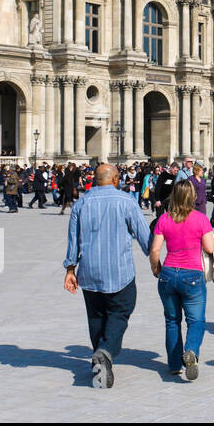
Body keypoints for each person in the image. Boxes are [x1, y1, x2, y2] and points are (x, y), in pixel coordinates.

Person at [63, 163, 153, 388]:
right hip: (119, 270)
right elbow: (145, 237)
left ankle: (100, 360)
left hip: (89, 271)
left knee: (96, 316)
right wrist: (156, 259)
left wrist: (70, 270)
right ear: (114, 180)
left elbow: (73, 240)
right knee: (121, 311)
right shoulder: (126, 201)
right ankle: (105, 351)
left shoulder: (81, 204)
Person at [149, 179, 214, 380]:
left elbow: (154, 249)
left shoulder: (164, 219)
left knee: (172, 321)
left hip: (168, 273)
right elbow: (210, 248)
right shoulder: (200, 219)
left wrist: (156, 268)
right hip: (192, 274)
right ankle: (191, 351)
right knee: (196, 321)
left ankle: (174, 364)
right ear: (192, 197)